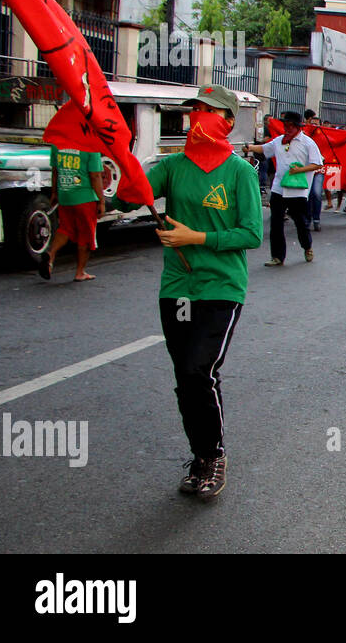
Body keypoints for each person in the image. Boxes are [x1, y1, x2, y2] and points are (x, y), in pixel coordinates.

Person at [109, 84, 261, 500]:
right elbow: (128, 199)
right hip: (177, 289)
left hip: (221, 287)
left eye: (207, 110)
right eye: (193, 109)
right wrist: (116, 165)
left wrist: (196, 236)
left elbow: (251, 233)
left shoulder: (239, 172)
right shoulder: (173, 166)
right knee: (185, 378)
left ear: (227, 121)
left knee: (199, 371)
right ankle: (198, 455)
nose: (198, 117)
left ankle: (214, 456)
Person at [243, 110, 322, 265]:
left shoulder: (307, 143)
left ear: (298, 127)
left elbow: (318, 163)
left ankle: (307, 246)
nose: (288, 128)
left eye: (291, 126)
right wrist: (250, 147)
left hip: (297, 190)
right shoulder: (279, 141)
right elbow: (265, 149)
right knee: (276, 222)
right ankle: (277, 256)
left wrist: (300, 170)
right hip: (279, 188)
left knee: (300, 222)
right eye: (286, 125)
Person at [40, 143, 105, 282]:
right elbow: (95, 176)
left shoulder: (57, 144)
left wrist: (54, 193)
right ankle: (80, 272)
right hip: (85, 197)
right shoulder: (90, 145)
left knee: (65, 229)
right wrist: (101, 201)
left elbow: (55, 170)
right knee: (86, 235)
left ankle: (50, 255)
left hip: (65, 194)